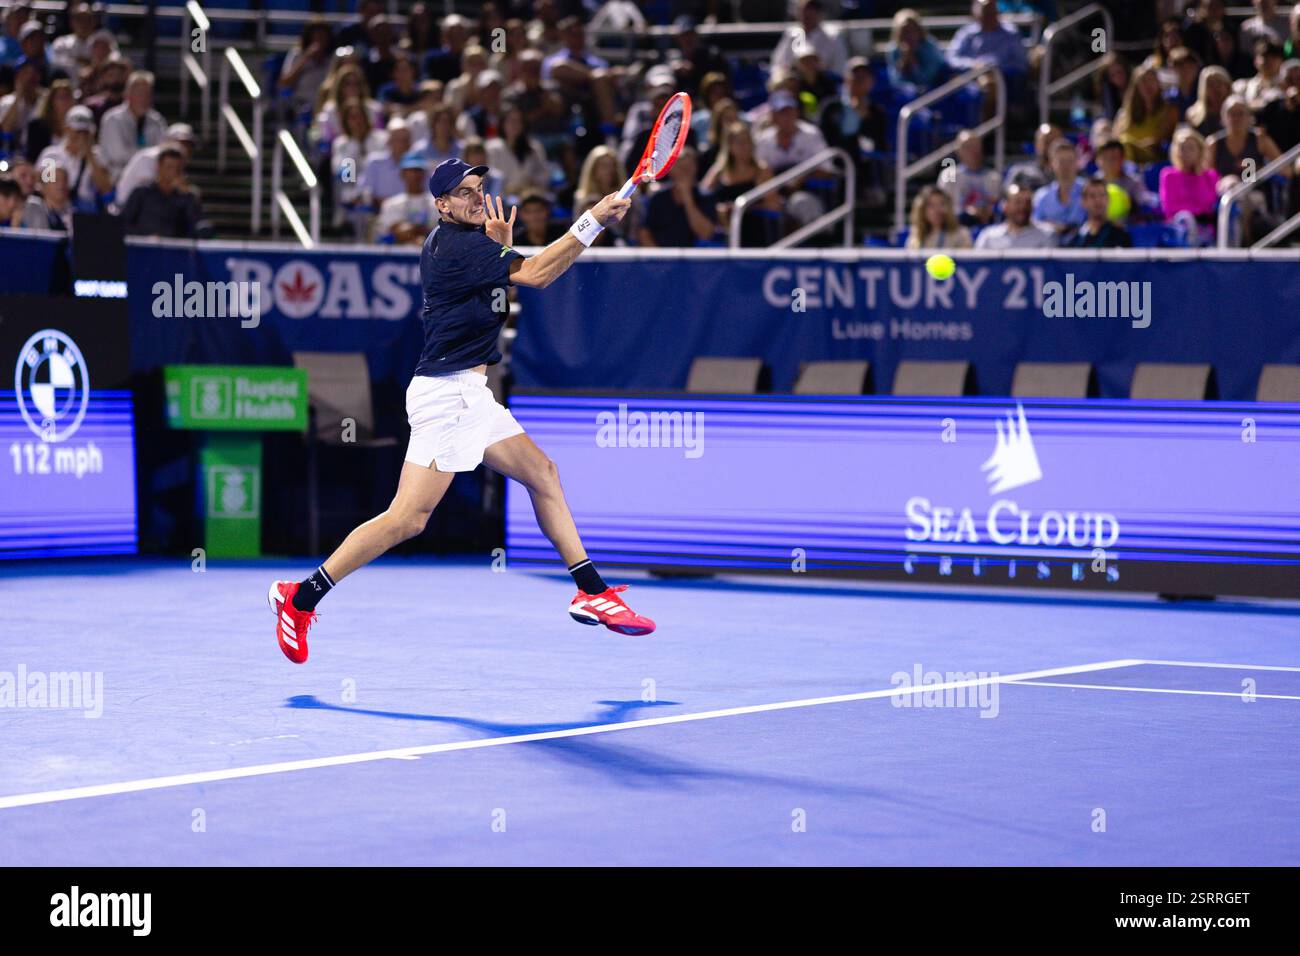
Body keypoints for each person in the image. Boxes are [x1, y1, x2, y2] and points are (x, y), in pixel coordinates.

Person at [268, 157, 655, 663]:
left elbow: (542, 272)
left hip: (472, 395)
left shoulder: (477, 244)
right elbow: (537, 274)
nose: (476, 197)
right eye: (464, 192)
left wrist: (530, 241)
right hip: (446, 397)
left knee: (542, 473)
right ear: (442, 205)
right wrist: (593, 219)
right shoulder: (456, 245)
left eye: (480, 188)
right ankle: (300, 597)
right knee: (407, 519)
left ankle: (591, 591)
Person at [637, 146, 718, 247]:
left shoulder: (706, 197)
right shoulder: (657, 198)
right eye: (679, 166)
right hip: (661, 259)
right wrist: (660, 258)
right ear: (669, 169)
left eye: (687, 167)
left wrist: (687, 197)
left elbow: (706, 233)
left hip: (694, 260)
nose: (683, 172)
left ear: (696, 167)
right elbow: (644, 233)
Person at [119, 145, 200, 237]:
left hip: (174, 249)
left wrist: (188, 196)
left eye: (178, 168)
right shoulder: (142, 193)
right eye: (169, 167)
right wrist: (145, 237)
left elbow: (195, 225)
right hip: (143, 248)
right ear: (159, 167)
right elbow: (123, 224)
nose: (173, 172)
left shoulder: (185, 198)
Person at [98, 70, 165, 179]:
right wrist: (148, 155)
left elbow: (162, 152)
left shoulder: (156, 120)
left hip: (148, 180)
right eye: (139, 93)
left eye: (147, 94)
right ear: (127, 95)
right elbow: (119, 155)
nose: (144, 98)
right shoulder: (113, 119)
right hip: (116, 180)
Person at [115, 122, 197, 208]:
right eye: (181, 143)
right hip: (127, 209)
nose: (184, 148)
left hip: (150, 210)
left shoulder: (177, 163)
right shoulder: (149, 157)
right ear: (167, 141)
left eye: (188, 145)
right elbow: (151, 190)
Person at [1159, 126, 1219, 243]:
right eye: (1182, 148)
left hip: (1205, 227)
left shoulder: (1210, 175)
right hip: (1179, 227)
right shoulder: (1168, 175)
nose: (1185, 153)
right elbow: (1169, 208)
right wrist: (1195, 211)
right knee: (1186, 218)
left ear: (1199, 151)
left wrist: (1198, 173)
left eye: (1190, 148)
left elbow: (1210, 204)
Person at [772, 0, 848, 78]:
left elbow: (839, 69)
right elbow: (778, 64)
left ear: (820, 14)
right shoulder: (791, 34)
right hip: (795, 85)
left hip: (824, 85)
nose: (807, 15)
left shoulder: (833, 37)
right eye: (804, 11)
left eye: (813, 10)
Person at [375, 150, 438, 244]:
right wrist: (421, 229)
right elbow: (399, 232)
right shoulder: (391, 204)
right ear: (402, 174)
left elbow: (438, 233)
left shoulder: (436, 204)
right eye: (411, 171)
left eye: (418, 170)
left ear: (424, 174)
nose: (415, 175)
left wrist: (412, 229)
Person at [939, 129, 1000, 226]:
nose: (972, 150)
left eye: (976, 146)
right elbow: (943, 207)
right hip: (957, 227)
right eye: (967, 147)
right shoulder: (949, 175)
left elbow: (997, 207)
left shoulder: (993, 177)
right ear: (958, 151)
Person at [974, 183, 1055, 249]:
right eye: (1018, 202)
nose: (1023, 207)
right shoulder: (989, 237)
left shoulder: (1046, 235)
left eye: (1027, 202)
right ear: (1005, 206)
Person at [1061, 176, 1133, 247]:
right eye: (1092, 196)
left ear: (1108, 200)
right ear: (1083, 202)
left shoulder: (1121, 236)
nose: (1098, 200)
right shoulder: (1074, 239)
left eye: (1102, 195)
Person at [1031, 139, 1087, 232]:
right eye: (1061, 161)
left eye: (1070, 161)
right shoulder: (1041, 196)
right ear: (1051, 164)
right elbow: (1035, 225)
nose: (1066, 166)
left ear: (1077, 163)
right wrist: (1054, 227)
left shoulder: (1089, 190)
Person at [905, 185, 972, 249]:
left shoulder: (961, 234)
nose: (937, 210)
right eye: (931, 205)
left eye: (942, 204)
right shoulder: (915, 235)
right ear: (922, 209)